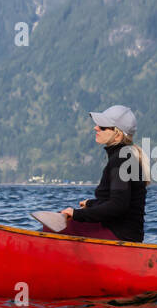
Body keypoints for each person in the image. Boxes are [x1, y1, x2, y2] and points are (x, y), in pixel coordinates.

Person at [57, 104, 149, 242]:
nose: (96, 128)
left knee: (55, 228)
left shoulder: (121, 160)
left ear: (117, 135)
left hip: (120, 236)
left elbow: (118, 206)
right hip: (124, 233)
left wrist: (76, 214)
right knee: (59, 223)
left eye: (103, 126)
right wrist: (91, 204)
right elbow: (118, 201)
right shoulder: (124, 157)